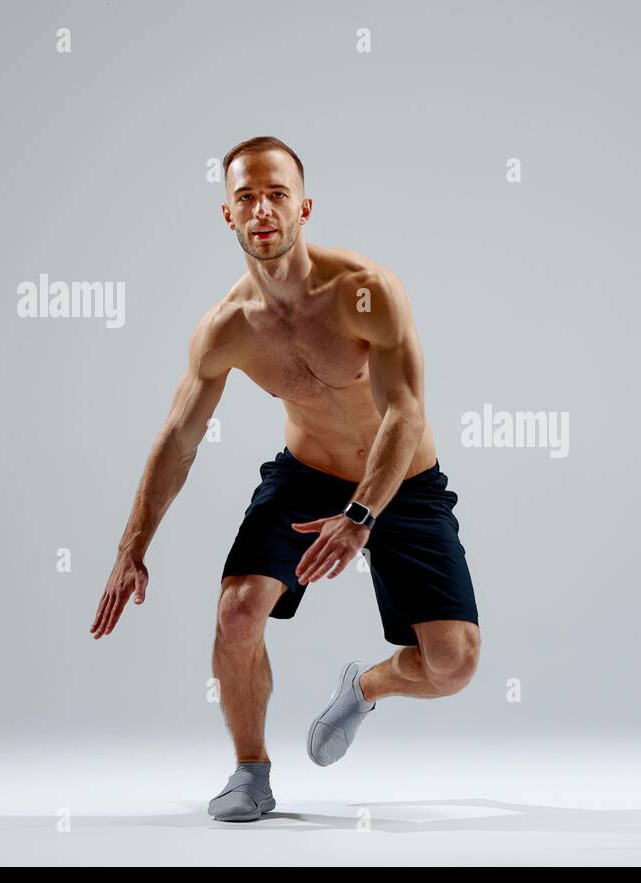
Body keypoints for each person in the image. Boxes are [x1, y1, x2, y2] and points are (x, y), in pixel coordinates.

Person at [89, 136, 481, 822]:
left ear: (303, 206)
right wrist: (132, 547)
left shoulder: (365, 293)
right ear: (228, 216)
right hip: (306, 476)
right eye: (247, 197)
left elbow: (405, 412)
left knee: (452, 665)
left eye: (276, 194)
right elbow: (180, 438)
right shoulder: (225, 329)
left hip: (403, 481)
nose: (262, 208)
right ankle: (250, 771)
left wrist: (360, 516)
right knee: (237, 609)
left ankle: (363, 688)